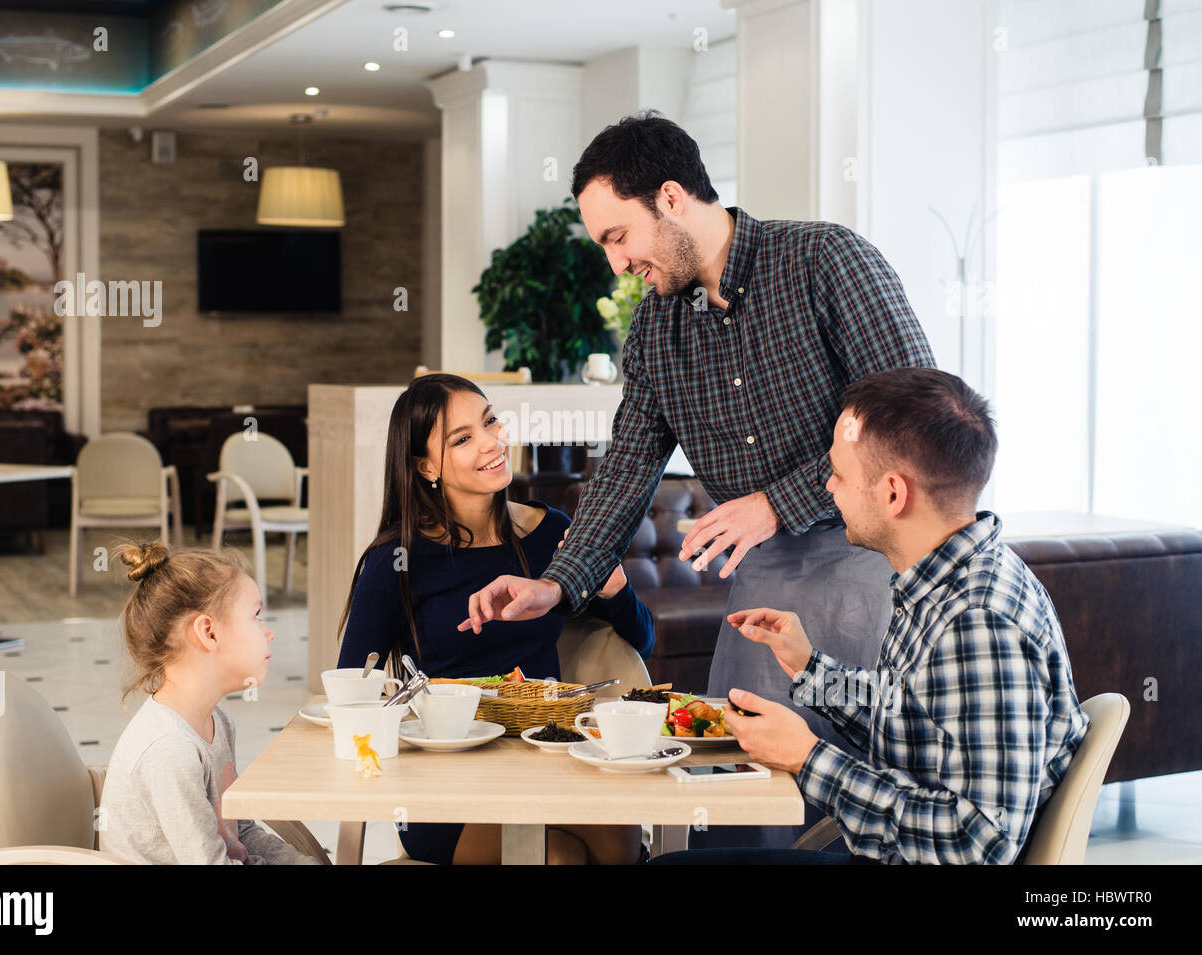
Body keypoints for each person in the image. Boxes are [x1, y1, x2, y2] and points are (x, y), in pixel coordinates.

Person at [459, 111, 937, 848]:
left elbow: (914, 415)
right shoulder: (655, 330)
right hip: (765, 584)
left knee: (849, 802)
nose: (615, 264)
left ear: (673, 198)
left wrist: (778, 503)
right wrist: (555, 585)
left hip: (876, 565)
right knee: (731, 795)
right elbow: (625, 468)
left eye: (618, 236)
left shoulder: (826, 260)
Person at [653, 368, 1091, 864]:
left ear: (892, 494)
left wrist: (808, 757)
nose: (827, 487)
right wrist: (810, 668)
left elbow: (979, 844)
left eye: (839, 474)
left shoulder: (978, 620)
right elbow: (913, 717)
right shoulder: (944, 577)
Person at [337, 373, 655, 865]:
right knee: (559, 858)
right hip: (449, 778)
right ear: (425, 467)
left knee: (621, 836)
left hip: (546, 753)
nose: (491, 443)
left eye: (491, 423)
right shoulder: (396, 559)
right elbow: (352, 688)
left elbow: (641, 640)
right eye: (462, 439)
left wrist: (613, 584)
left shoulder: (552, 532)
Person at [99, 541, 321, 865]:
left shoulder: (217, 721)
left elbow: (239, 833)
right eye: (256, 616)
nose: (269, 632)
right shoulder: (170, 750)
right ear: (209, 633)